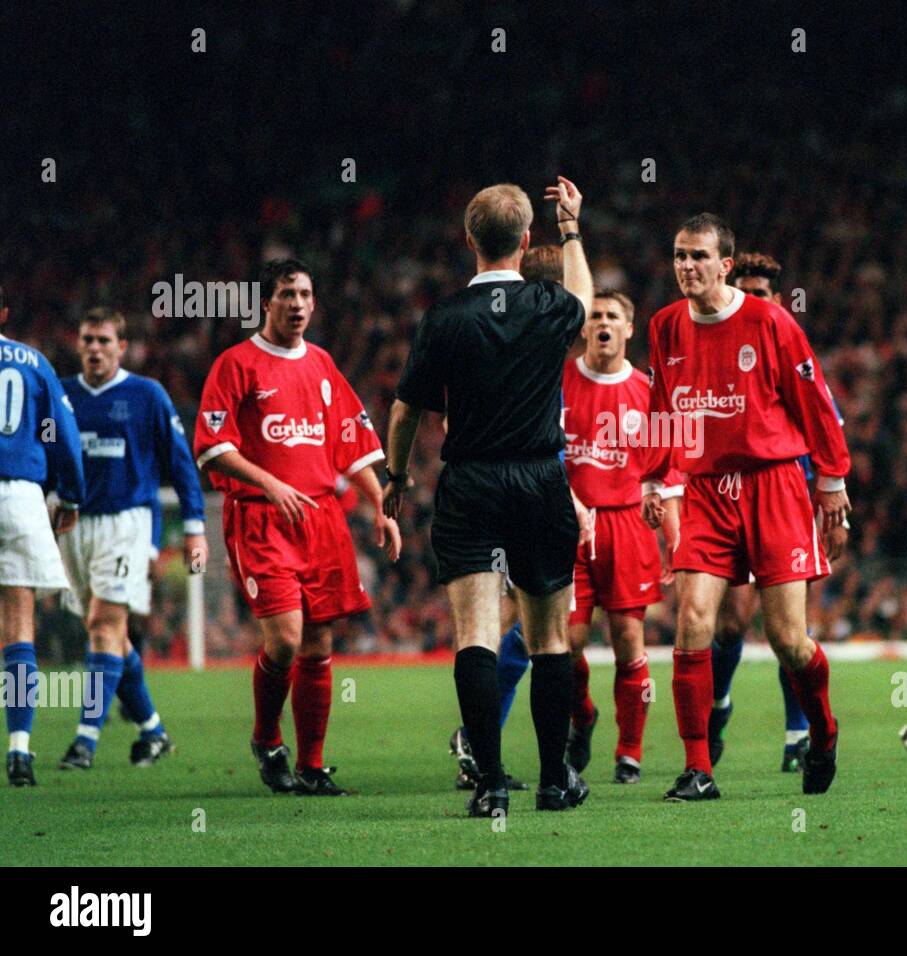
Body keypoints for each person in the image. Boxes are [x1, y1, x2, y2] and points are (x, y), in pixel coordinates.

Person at [385, 179, 594, 817]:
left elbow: (405, 411)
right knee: (549, 638)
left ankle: (492, 785)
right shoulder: (548, 304)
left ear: (470, 241)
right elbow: (584, 301)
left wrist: (396, 478)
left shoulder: (444, 317)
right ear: (527, 240)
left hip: (470, 483)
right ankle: (556, 782)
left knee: (474, 634)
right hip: (538, 480)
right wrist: (574, 230)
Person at [641, 215, 851, 800]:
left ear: (724, 264)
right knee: (692, 621)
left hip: (775, 485)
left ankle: (824, 731)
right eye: (680, 256)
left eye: (699, 257)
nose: (687, 267)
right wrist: (654, 480)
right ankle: (698, 768)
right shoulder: (663, 327)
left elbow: (813, 402)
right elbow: (661, 408)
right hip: (708, 490)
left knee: (787, 639)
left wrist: (831, 480)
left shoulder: (770, 321)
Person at [194, 258, 400, 796]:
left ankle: (312, 765)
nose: (298, 304)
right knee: (284, 639)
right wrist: (270, 483)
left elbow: (352, 447)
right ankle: (267, 737)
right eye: (287, 294)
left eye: (306, 294)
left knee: (318, 641)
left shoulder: (323, 366)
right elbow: (212, 448)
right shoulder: (236, 365)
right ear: (267, 302)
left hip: (320, 518)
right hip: (262, 518)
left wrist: (380, 504)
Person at [695, 252, 849, 773]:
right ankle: (717, 707)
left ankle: (799, 735)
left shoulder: (786, 343)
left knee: (789, 633)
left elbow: (826, 427)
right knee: (731, 625)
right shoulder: (712, 345)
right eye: (746, 292)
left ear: (777, 301)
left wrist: (834, 504)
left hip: (787, 499)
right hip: (725, 498)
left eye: (762, 294)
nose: (753, 302)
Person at [56, 308, 207, 770]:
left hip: (128, 523)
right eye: (88, 340)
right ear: (78, 345)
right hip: (75, 527)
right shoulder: (61, 397)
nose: (95, 348)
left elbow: (180, 462)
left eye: (104, 340)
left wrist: (195, 528)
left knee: (104, 624)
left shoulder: (147, 395)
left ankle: (84, 742)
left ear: (122, 347)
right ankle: (153, 733)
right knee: (109, 635)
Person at [562, 289, 676, 784]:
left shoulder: (650, 390)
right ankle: (583, 715)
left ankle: (629, 751)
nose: (603, 323)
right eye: (595, 316)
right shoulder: (558, 379)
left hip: (627, 523)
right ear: (584, 329)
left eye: (613, 315)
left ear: (629, 329)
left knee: (629, 638)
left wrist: (674, 537)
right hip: (565, 524)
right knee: (563, 644)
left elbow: (669, 475)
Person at [0, 284, 86, 786]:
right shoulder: (32, 363)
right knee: (19, 622)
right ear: (5, 312)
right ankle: (19, 751)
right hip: (18, 497)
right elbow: (58, 433)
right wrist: (69, 494)